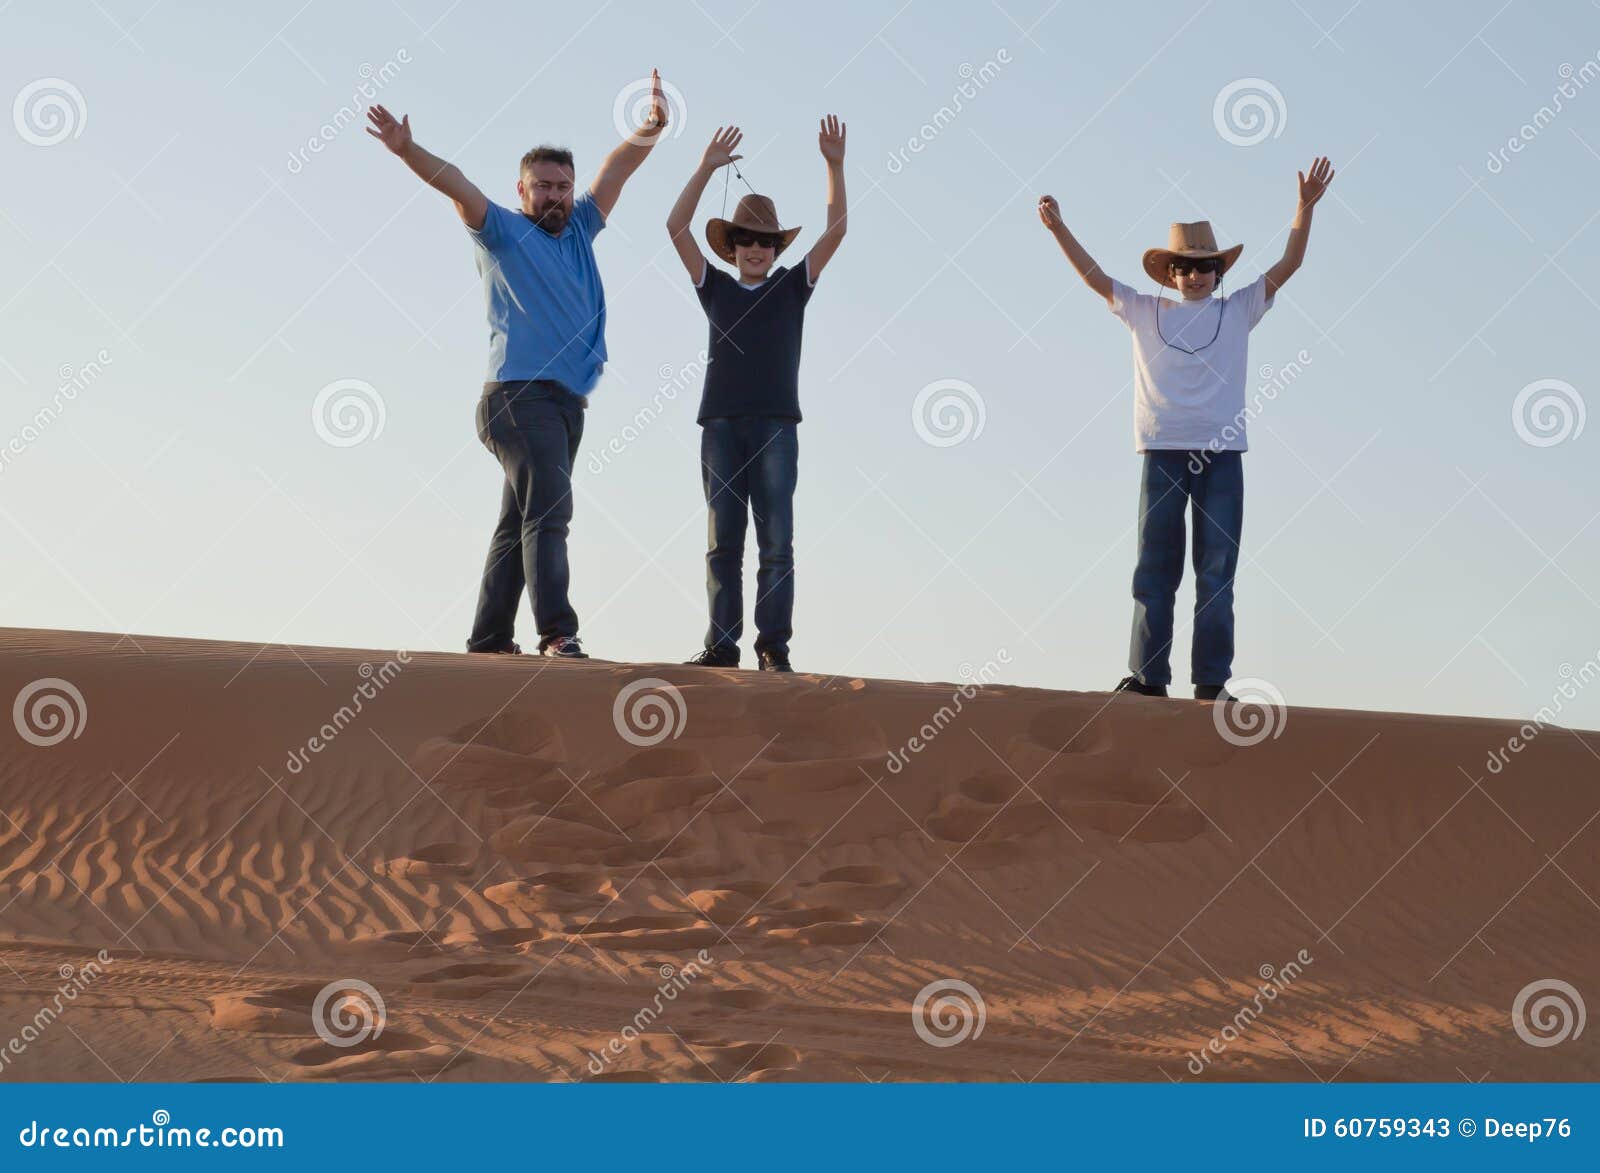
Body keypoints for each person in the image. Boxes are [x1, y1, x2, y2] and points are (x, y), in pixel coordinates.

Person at [365, 71, 671, 659]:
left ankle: (488, 639)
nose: (555, 195)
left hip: (564, 402)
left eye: (563, 185)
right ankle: (557, 631)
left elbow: (618, 169)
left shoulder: (581, 227)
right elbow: (456, 184)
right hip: (517, 397)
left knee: (520, 524)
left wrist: (649, 128)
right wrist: (407, 151)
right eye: (543, 186)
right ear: (522, 190)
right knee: (551, 512)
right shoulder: (501, 231)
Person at [1037, 157, 1335, 700]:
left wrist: (1304, 208)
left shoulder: (1241, 308)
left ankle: (1211, 684)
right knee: (1155, 567)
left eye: (1203, 267)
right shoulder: (1145, 310)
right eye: (1183, 267)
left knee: (1217, 572)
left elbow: (1290, 262)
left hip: (1222, 455)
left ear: (1218, 272)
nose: (1193, 275)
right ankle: (1148, 678)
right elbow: (1093, 276)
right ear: (1170, 274)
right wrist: (1060, 229)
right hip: (1163, 451)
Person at [665, 117, 849, 673]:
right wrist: (704, 168)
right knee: (723, 543)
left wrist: (834, 165)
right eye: (745, 239)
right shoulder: (714, 287)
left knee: (776, 545)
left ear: (775, 248)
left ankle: (773, 649)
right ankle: (722, 647)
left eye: (765, 242)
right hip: (720, 424)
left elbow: (836, 229)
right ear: (732, 246)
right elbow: (675, 227)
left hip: (775, 428)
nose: (754, 248)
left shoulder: (794, 286)